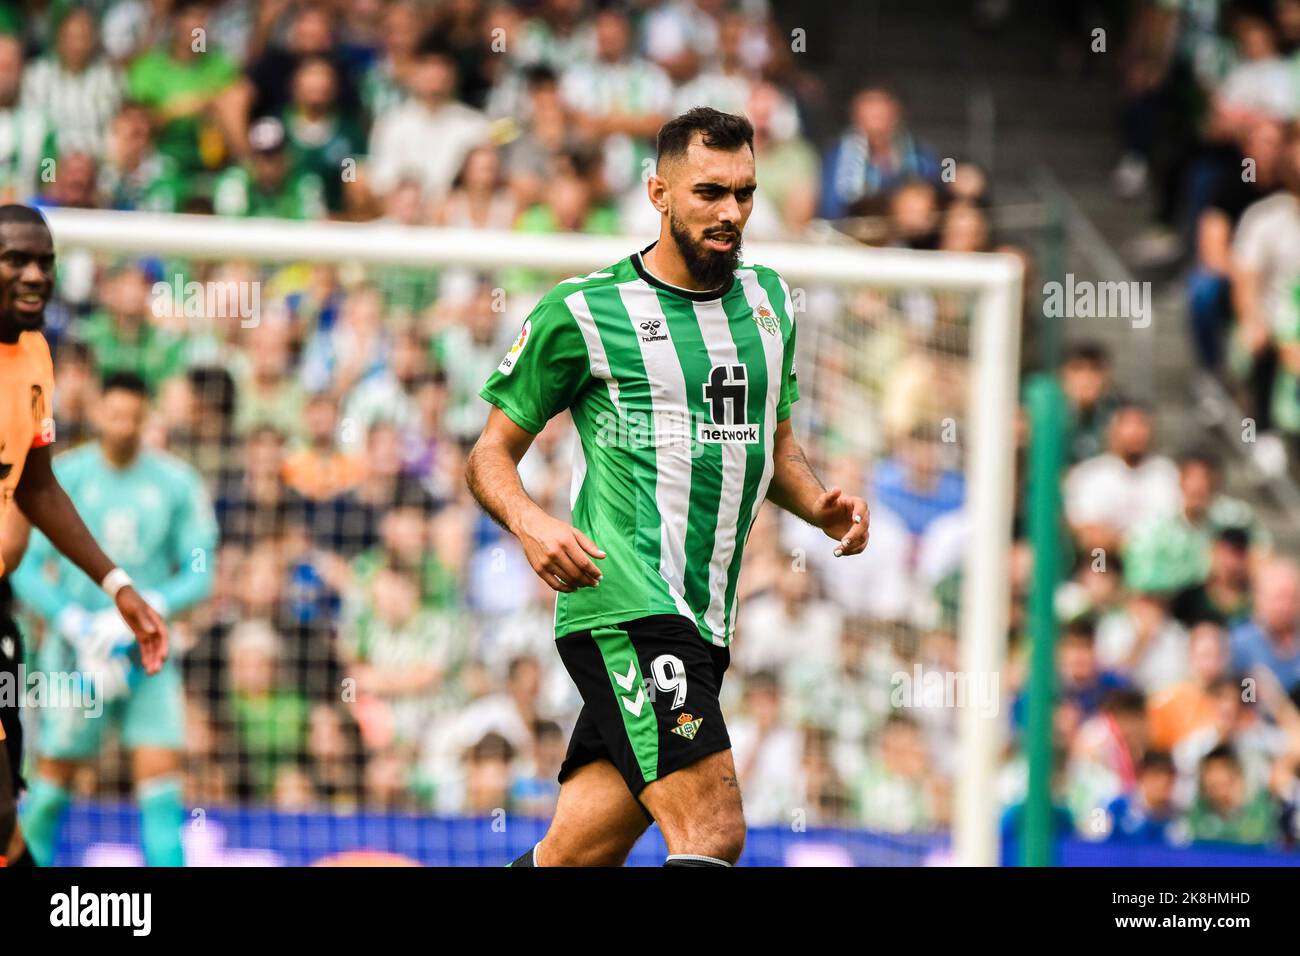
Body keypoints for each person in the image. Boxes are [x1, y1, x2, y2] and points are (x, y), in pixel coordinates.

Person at [466, 108, 870, 867]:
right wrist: (530, 524)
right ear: (658, 193)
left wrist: (817, 503)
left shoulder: (770, 304)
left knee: (573, 855)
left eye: (744, 193)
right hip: (625, 603)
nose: (730, 213)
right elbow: (488, 454)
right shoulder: (584, 311)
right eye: (709, 192)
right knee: (713, 831)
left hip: (705, 618)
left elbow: (770, 439)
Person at [0, 204, 168, 867]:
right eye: (17, 259)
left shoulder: (35, 353)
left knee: (6, 810)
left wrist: (116, 583)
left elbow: (37, 483)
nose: (36, 274)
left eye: (45, 261)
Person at [11, 371, 217, 866]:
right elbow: (25, 567)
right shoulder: (64, 477)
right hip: (77, 656)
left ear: (147, 419)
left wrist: (153, 608)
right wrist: (76, 622)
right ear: (97, 412)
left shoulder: (176, 482)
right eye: (114, 414)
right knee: (51, 785)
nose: (123, 426)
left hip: (147, 652)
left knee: (162, 787)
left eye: (134, 417)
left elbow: (199, 569)